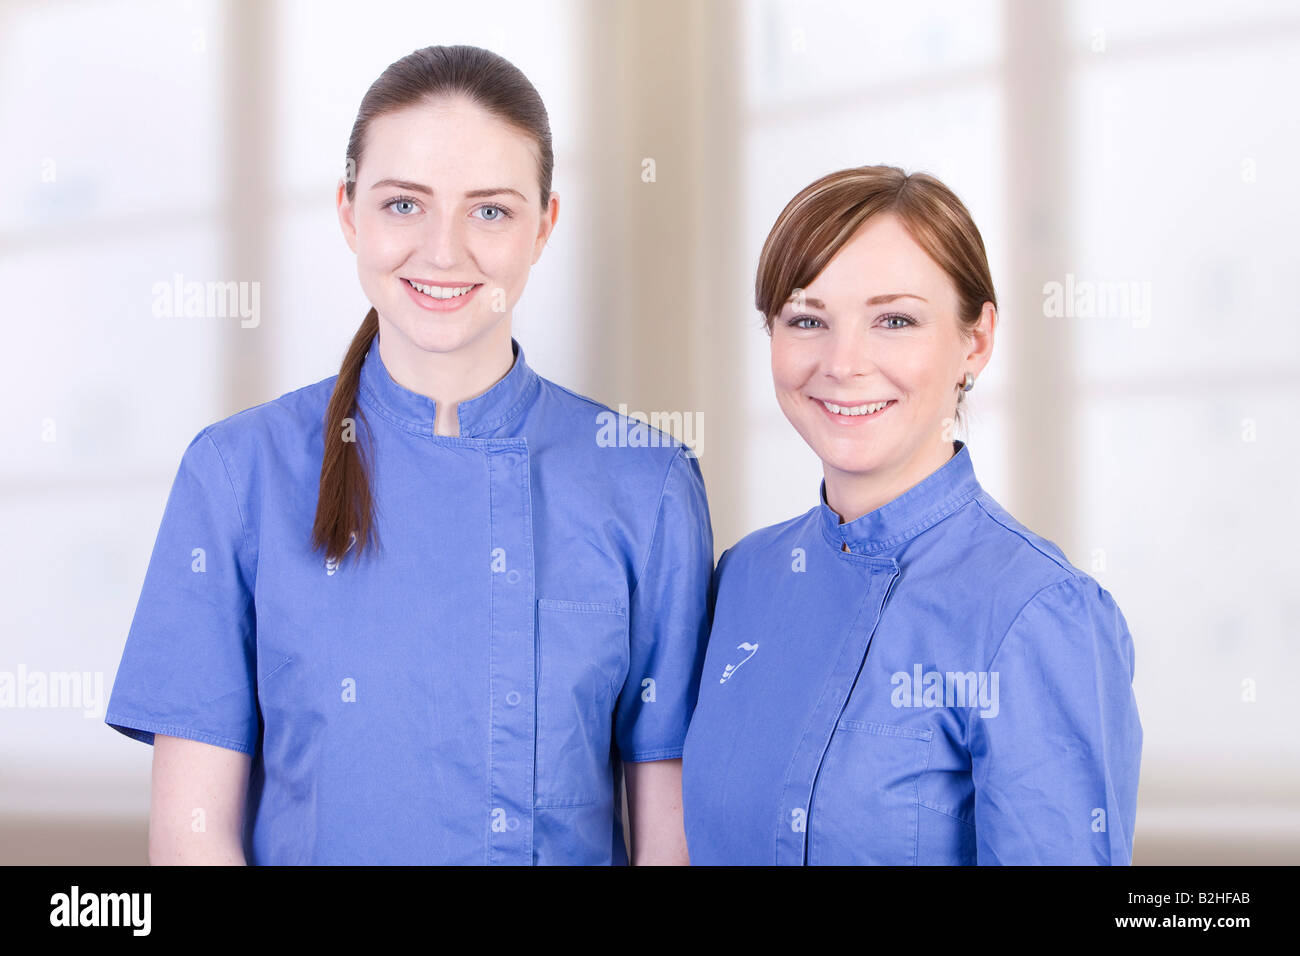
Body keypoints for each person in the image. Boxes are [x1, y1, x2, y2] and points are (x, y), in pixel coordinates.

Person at [105, 45, 713, 866]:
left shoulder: (648, 484)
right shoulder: (235, 475)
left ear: (545, 225)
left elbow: (667, 842)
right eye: (403, 205)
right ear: (350, 212)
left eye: (490, 211)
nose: (443, 250)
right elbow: (193, 837)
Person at [681, 165, 1141, 865]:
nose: (844, 362)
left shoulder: (1040, 614)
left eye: (894, 320)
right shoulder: (743, 578)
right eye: (808, 319)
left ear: (974, 341)